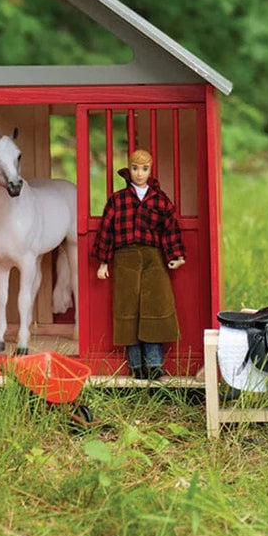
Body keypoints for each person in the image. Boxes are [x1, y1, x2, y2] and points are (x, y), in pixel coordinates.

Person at [92, 149, 185, 379]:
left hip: (154, 257)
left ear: (150, 170)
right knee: (127, 307)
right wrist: (104, 261)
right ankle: (136, 366)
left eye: (144, 169)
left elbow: (170, 228)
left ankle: (154, 364)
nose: (140, 173)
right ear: (129, 169)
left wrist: (175, 255)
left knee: (156, 305)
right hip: (125, 258)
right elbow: (107, 230)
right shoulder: (118, 200)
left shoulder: (159, 199)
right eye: (135, 168)